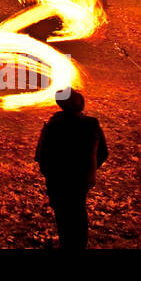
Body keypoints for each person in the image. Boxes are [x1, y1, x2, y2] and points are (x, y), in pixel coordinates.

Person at [34, 90, 108, 249]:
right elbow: (103, 153)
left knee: (63, 215)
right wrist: (90, 169)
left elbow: (43, 154)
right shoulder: (92, 124)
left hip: (58, 180)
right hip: (81, 180)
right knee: (78, 211)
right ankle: (78, 244)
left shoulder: (54, 124)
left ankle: (67, 243)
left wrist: (49, 174)